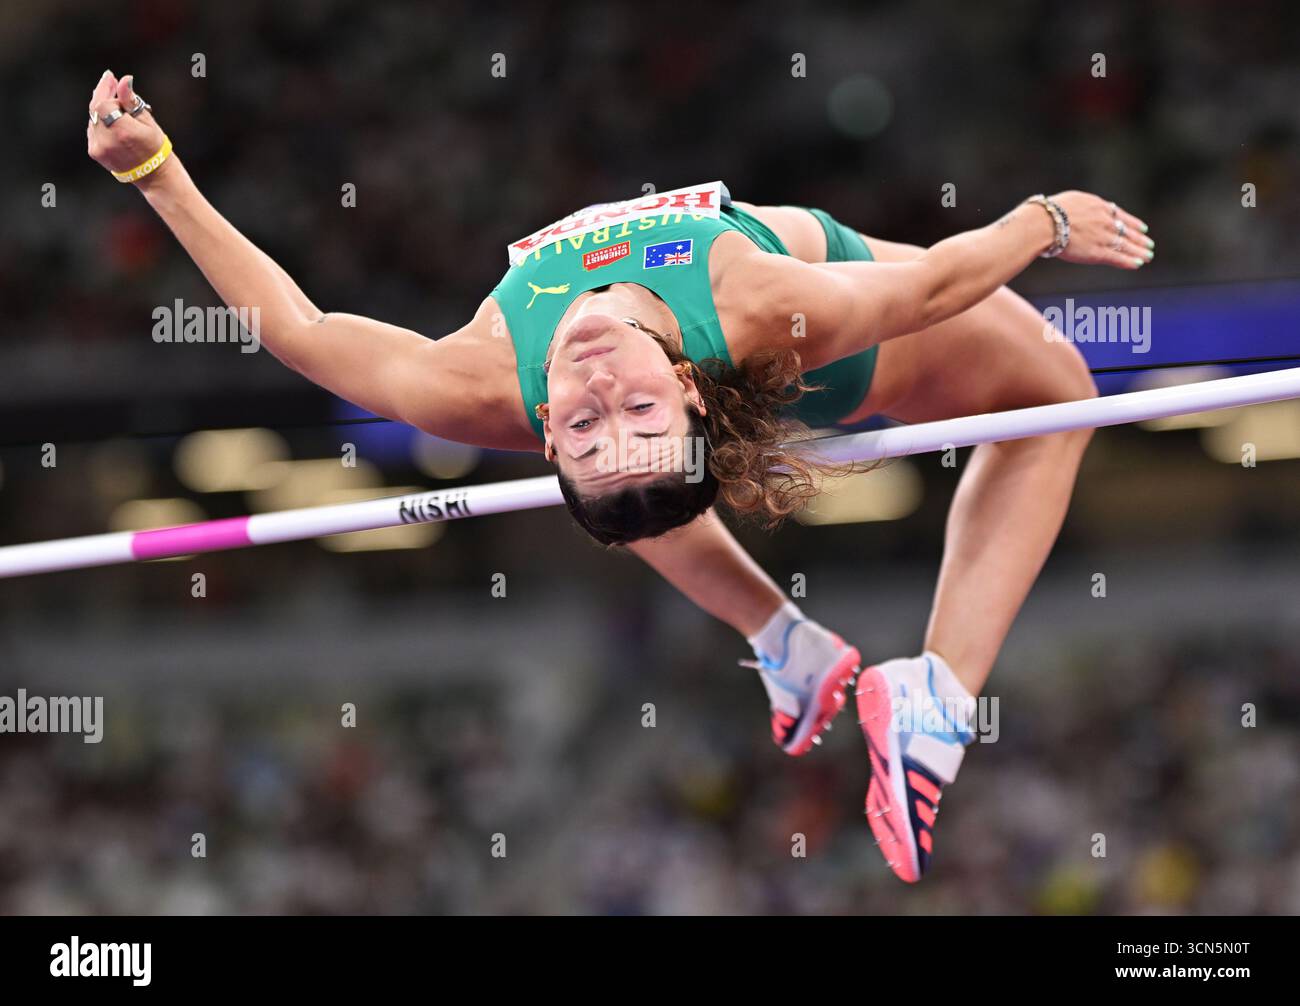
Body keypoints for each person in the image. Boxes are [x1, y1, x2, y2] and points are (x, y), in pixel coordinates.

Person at [86, 69, 1154, 882]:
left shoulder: (485, 383)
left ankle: (784, 640)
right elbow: (927, 285)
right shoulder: (769, 309)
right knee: (1054, 392)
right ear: (688, 390)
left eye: (584, 419)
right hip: (832, 350)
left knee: (624, 489)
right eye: (634, 405)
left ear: (546, 429)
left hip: (710, 399)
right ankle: (935, 698)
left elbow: (300, 327)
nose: (599, 383)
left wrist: (155, 172)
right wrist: (1045, 219)